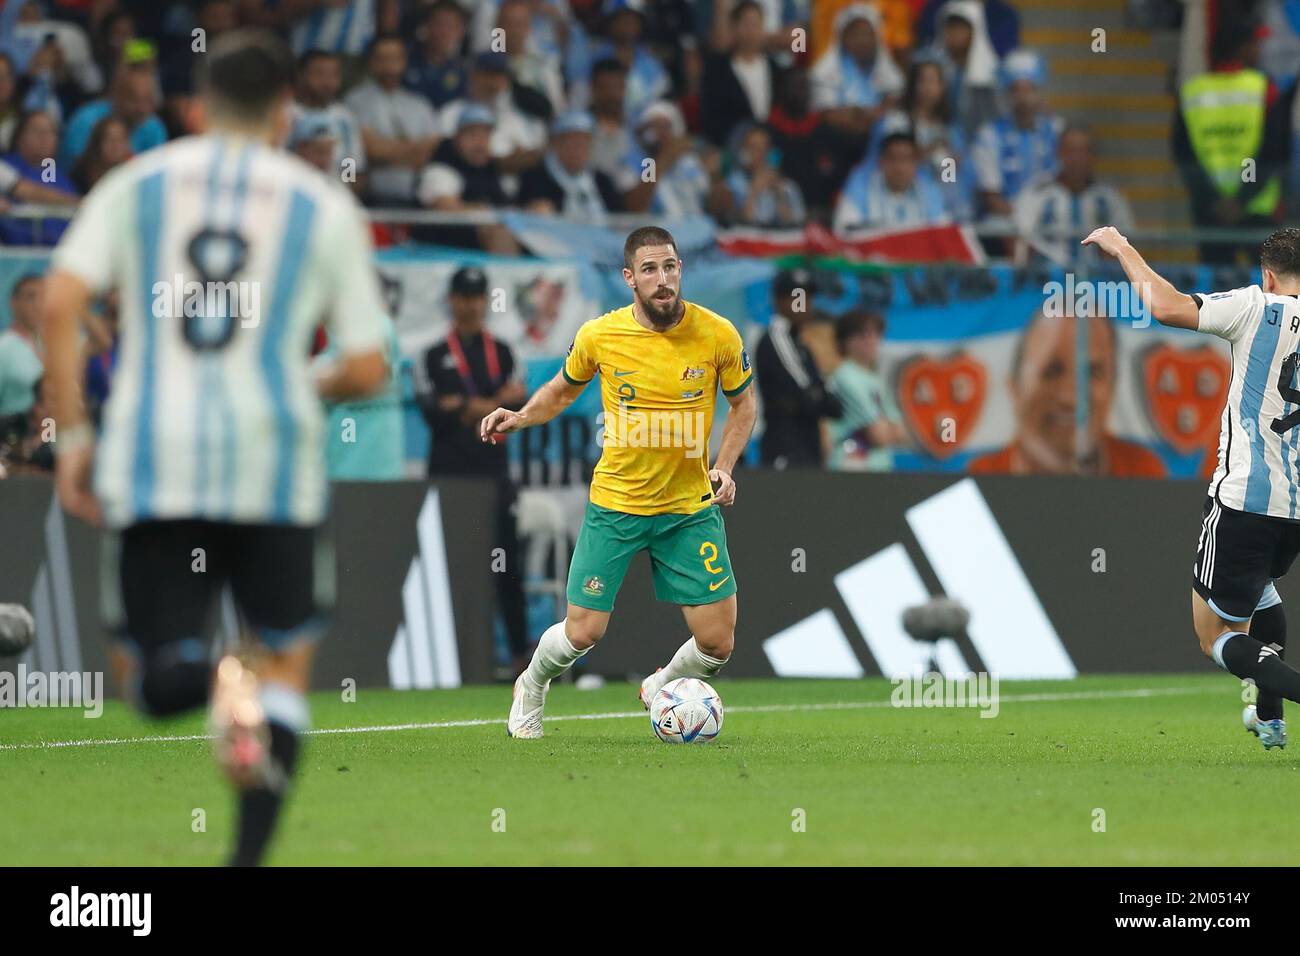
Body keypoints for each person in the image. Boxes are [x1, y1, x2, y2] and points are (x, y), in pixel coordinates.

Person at [42, 29, 390, 866]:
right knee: (285, 669)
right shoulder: (320, 204)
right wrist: (292, 386)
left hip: (155, 461)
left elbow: (58, 303)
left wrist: (75, 434)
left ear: (196, 105)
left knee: (149, 687)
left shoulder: (138, 185)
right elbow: (369, 365)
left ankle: (208, 683)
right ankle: (247, 834)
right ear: (283, 112)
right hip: (273, 469)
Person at [480, 226, 757, 738]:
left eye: (670, 266)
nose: (662, 278)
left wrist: (725, 465)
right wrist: (520, 416)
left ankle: (664, 684)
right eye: (649, 269)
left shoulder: (717, 334)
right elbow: (562, 392)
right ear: (630, 278)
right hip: (617, 504)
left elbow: (743, 405)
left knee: (718, 643)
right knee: (584, 631)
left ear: (680, 270)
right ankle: (533, 682)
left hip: (688, 508)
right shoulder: (599, 336)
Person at [1081, 223, 1300, 753]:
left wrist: (1122, 247)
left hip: (1245, 496)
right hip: (1294, 508)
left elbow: (1167, 307)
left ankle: (1284, 696)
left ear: (1268, 274)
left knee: (1216, 637)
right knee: (1261, 590)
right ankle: (1268, 717)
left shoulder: (1255, 304)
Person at [422, 266, 530, 673]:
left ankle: (522, 661)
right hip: (449, 480)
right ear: (452, 300)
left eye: (477, 296)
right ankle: (446, 662)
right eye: (463, 296)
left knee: (507, 569)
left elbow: (517, 406)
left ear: (485, 301)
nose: (470, 304)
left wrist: (466, 407)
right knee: (446, 569)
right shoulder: (434, 355)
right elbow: (437, 413)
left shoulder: (502, 352)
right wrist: (492, 402)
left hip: (494, 479)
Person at [967, 307, 1166, 478]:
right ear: (1014, 387)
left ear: (1112, 386)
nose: (1071, 398)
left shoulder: (1145, 471)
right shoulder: (982, 475)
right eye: (1051, 371)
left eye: (1092, 373)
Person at [755, 267, 843, 468]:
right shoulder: (776, 338)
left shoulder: (802, 344)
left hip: (809, 447)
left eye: (808, 298)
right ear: (779, 301)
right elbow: (806, 392)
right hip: (785, 448)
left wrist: (821, 398)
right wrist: (818, 398)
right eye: (797, 297)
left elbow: (834, 406)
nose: (805, 305)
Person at [1013, 125, 1135, 267]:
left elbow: (1126, 243)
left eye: (1083, 151)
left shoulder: (1110, 199)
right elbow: (1022, 243)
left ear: (1093, 156)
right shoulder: (1036, 194)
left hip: (1098, 282)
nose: (1076, 158)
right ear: (1059, 153)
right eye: (1070, 151)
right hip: (1047, 282)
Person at [344, 33, 442, 205]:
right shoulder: (354, 100)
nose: (390, 67)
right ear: (371, 62)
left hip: (416, 199)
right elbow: (369, 151)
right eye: (383, 59)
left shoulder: (420, 104)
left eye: (395, 59)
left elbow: (429, 154)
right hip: (372, 198)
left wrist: (385, 152)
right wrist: (412, 149)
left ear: (404, 62)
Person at [827, 311, 907, 471]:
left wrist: (887, 429)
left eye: (876, 334)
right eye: (863, 335)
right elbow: (878, 435)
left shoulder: (875, 379)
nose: (871, 340)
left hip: (880, 468)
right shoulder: (845, 376)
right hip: (851, 470)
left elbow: (901, 433)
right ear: (845, 341)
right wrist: (886, 428)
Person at [833, 124, 949, 232]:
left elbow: (943, 234)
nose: (899, 167)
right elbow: (845, 231)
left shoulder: (929, 191)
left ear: (916, 163)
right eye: (892, 158)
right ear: (881, 162)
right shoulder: (859, 187)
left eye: (905, 159)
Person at [516, 110, 624, 221]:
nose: (577, 149)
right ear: (555, 144)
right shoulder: (534, 179)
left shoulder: (602, 181)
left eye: (583, 143)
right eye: (571, 142)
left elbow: (619, 219)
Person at [0, 274, 44, 448]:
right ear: (14, 302)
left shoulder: (52, 348)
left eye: (43, 298)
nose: (38, 305)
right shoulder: (4, 348)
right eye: (31, 297)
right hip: (12, 441)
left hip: (48, 438)